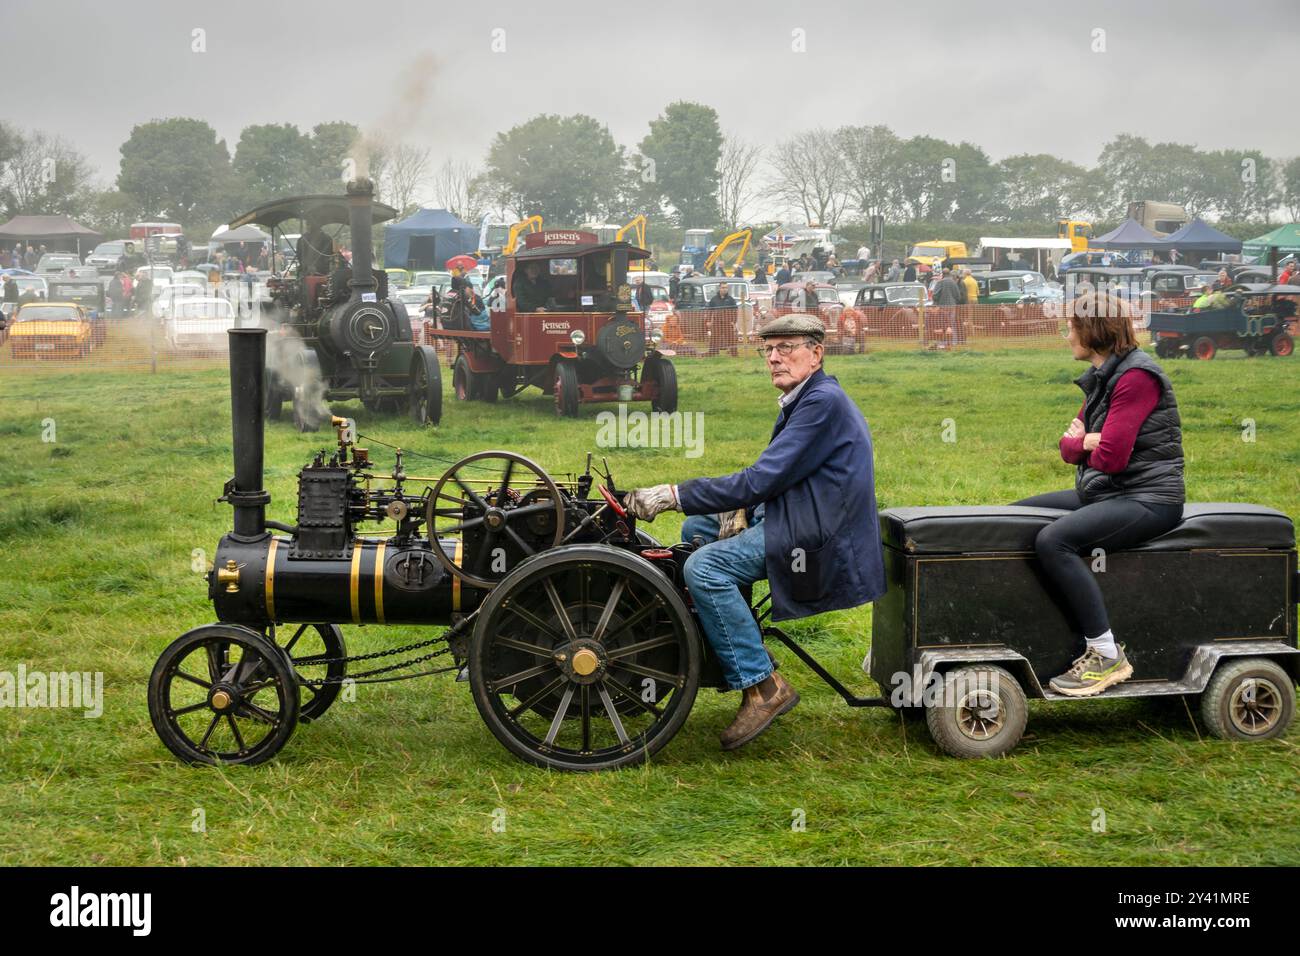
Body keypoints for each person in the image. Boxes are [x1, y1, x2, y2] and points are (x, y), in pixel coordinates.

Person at [623, 315, 886, 750]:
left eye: (786, 347)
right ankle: (724, 641)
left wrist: (672, 493)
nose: (774, 358)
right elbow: (778, 478)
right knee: (697, 528)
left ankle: (762, 686)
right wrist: (737, 507)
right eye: (768, 349)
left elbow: (762, 478)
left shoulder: (822, 403)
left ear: (816, 353)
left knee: (706, 568)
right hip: (797, 513)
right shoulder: (807, 398)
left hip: (815, 533)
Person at [1012, 293, 1184, 697]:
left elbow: (1111, 456)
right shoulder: (1104, 377)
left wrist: (1087, 442)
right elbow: (1067, 446)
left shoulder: (1137, 378)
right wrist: (1086, 442)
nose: (1066, 333)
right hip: (1110, 492)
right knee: (1014, 516)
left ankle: (1105, 654)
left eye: (1072, 326)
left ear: (1093, 330)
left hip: (1149, 499)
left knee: (1054, 540)